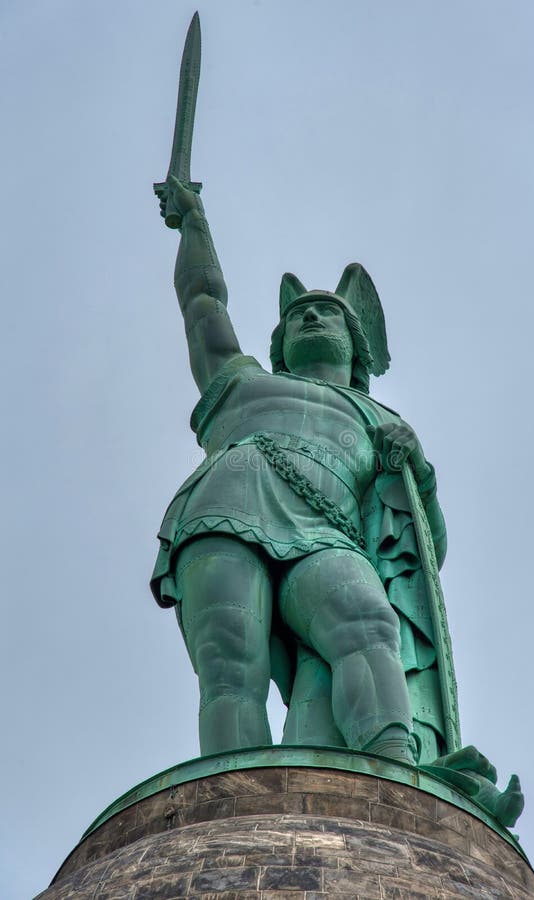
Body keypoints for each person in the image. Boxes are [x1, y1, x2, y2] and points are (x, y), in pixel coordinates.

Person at [151, 175, 449, 765]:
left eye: (327, 313)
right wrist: (193, 224)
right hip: (225, 508)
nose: (311, 318)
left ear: (356, 347)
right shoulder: (240, 381)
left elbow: (425, 554)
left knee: (368, 624)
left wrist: (420, 467)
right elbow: (203, 304)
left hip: (328, 532)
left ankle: (393, 775)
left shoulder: (379, 420)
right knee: (232, 664)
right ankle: (235, 803)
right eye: (300, 314)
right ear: (282, 341)